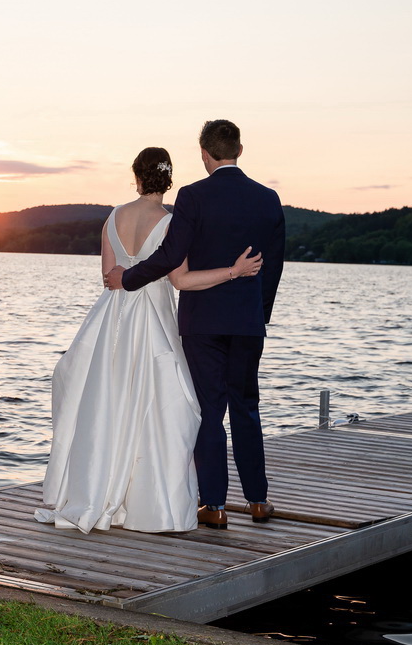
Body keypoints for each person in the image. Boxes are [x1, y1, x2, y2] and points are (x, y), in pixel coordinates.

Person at [35, 147, 262, 534]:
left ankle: (100, 490)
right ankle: (148, 500)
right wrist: (233, 272)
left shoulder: (113, 216)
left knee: (108, 403)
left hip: (112, 320)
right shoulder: (172, 222)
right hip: (153, 322)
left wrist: (127, 275)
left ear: (136, 177)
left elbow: (110, 277)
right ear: (168, 179)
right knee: (165, 408)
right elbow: (181, 281)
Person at [106, 121, 285, 530]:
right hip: (247, 321)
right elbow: (273, 268)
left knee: (209, 411)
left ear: (204, 153)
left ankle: (216, 506)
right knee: (247, 408)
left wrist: (128, 279)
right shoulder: (268, 199)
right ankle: (258, 501)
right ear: (240, 148)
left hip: (202, 321)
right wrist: (259, 314)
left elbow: (171, 253)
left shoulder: (193, 196)